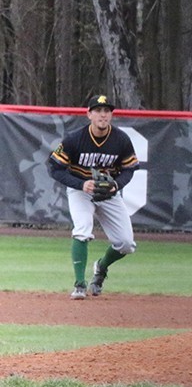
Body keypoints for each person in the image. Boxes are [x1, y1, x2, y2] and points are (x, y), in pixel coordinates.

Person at [48, 94, 141, 299]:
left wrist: (116, 185)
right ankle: (80, 284)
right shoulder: (75, 139)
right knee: (82, 230)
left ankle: (101, 267)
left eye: (107, 111)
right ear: (88, 114)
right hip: (81, 191)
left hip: (108, 193)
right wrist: (81, 184)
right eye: (98, 111)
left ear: (111, 115)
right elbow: (54, 169)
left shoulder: (120, 140)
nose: (103, 115)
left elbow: (129, 169)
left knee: (126, 244)